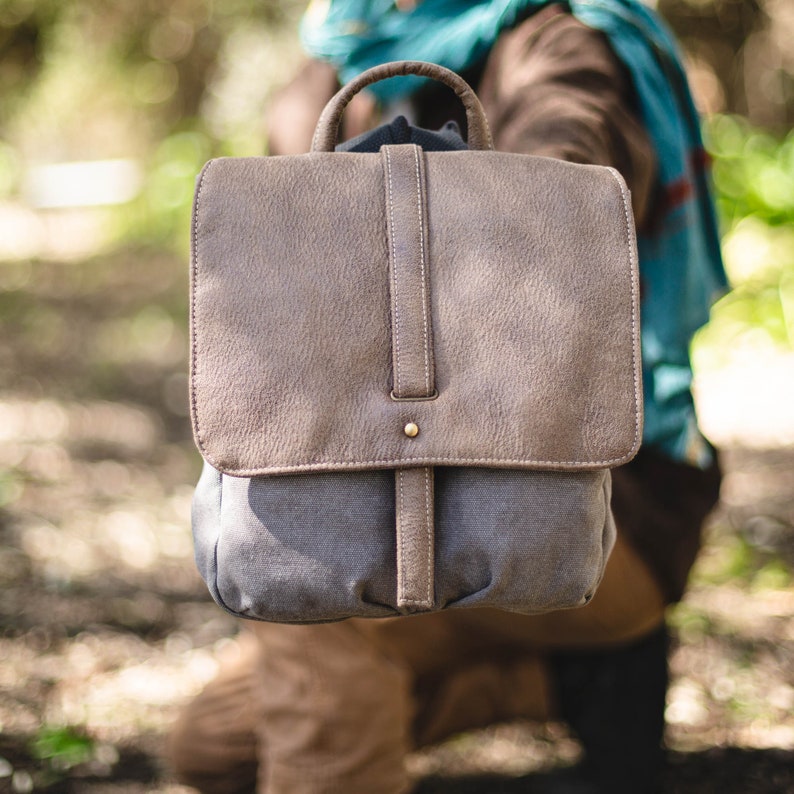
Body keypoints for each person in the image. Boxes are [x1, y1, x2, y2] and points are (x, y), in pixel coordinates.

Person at [168, 1, 725, 792]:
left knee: (316, 606)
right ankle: (563, 679)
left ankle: (581, 639)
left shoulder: (561, 41)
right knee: (211, 749)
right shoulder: (337, 60)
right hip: (371, 482)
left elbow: (569, 164)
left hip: (581, 502)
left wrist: (425, 202)